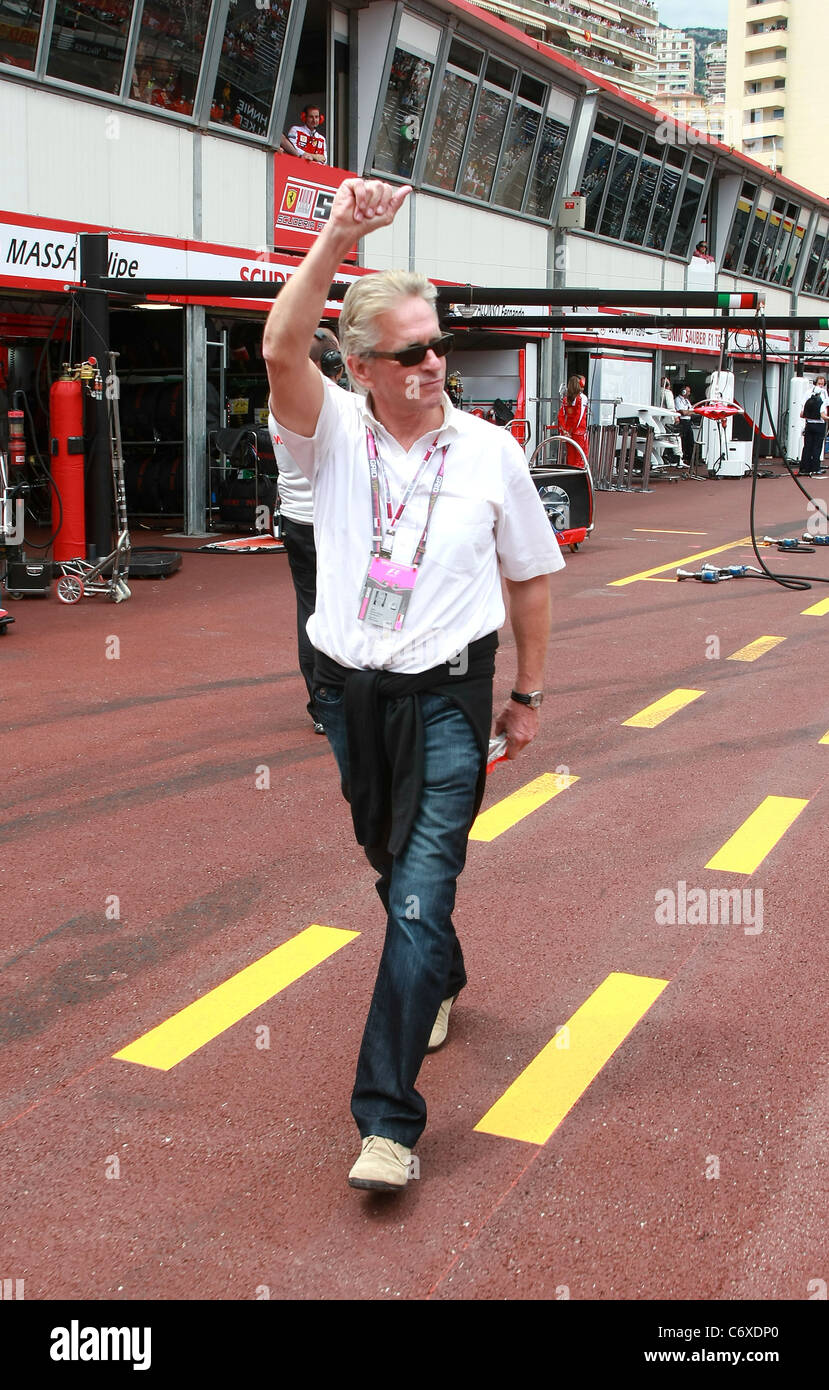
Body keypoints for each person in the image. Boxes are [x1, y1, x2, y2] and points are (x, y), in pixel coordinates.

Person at [262, 177, 563, 1193]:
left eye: (438, 343)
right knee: (390, 867)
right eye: (411, 351)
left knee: (421, 892)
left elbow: (527, 576)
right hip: (351, 691)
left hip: (449, 693)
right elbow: (277, 346)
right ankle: (438, 968)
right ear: (362, 367)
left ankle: (387, 1121)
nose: (435, 362)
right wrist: (337, 233)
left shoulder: (489, 453)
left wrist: (525, 694)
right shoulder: (328, 436)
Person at [269, 327, 340, 734]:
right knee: (348, 611)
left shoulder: (277, 396)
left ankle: (322, 706)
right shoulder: (333, 403)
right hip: (332, 523)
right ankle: (345, 699)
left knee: (310, 611)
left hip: (296, 522)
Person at [557, 374, 589, 467]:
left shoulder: (566, 399)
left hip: (568, 433)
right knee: (581, 458)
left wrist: (564, 431)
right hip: (579, 432)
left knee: (570, 458)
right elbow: (579, 417)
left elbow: (561, 416)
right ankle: (579, 480)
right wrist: (570, 431)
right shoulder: (582, 398)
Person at [798, 383, 828, 476]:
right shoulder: (821, 402)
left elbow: (802, 415)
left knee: (807, 447)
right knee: (817, 447)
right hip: (819, 426)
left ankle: (804, 467)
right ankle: (815, 467)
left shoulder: (808, 402)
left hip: (809, 425)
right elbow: (822, 415)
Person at [674, 383, 696, 466]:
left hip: (688, 422)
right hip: (682, 422)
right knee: (682, 441)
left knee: (690, 441)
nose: (689, 393)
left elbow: (692, 410)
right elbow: (683, 412)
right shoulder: (677, 400)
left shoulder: (687, 401)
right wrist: (689, 412)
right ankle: (682, 459)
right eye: (688, 391)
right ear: (683, 391)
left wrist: (689, 412)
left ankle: (691, 459)